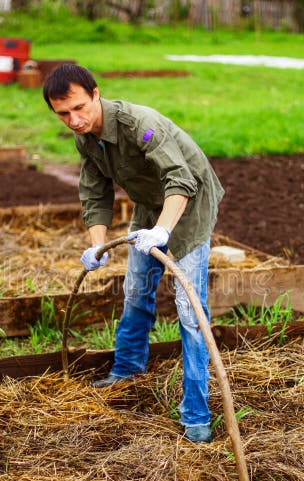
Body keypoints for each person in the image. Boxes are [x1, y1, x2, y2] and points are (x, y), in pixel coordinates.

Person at [42, 65, 224, 444]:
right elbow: (95, 192)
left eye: (79, 108)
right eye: (63, 114)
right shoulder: (85, 138)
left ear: (95, 94)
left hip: (188, 204)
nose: (74, 120)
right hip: (148, 205)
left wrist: (163, 231)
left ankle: (195, 415)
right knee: (136, 291)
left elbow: (182, 179)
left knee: (190, 311)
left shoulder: (139, 124)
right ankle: (126, 370)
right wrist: (97, 242)